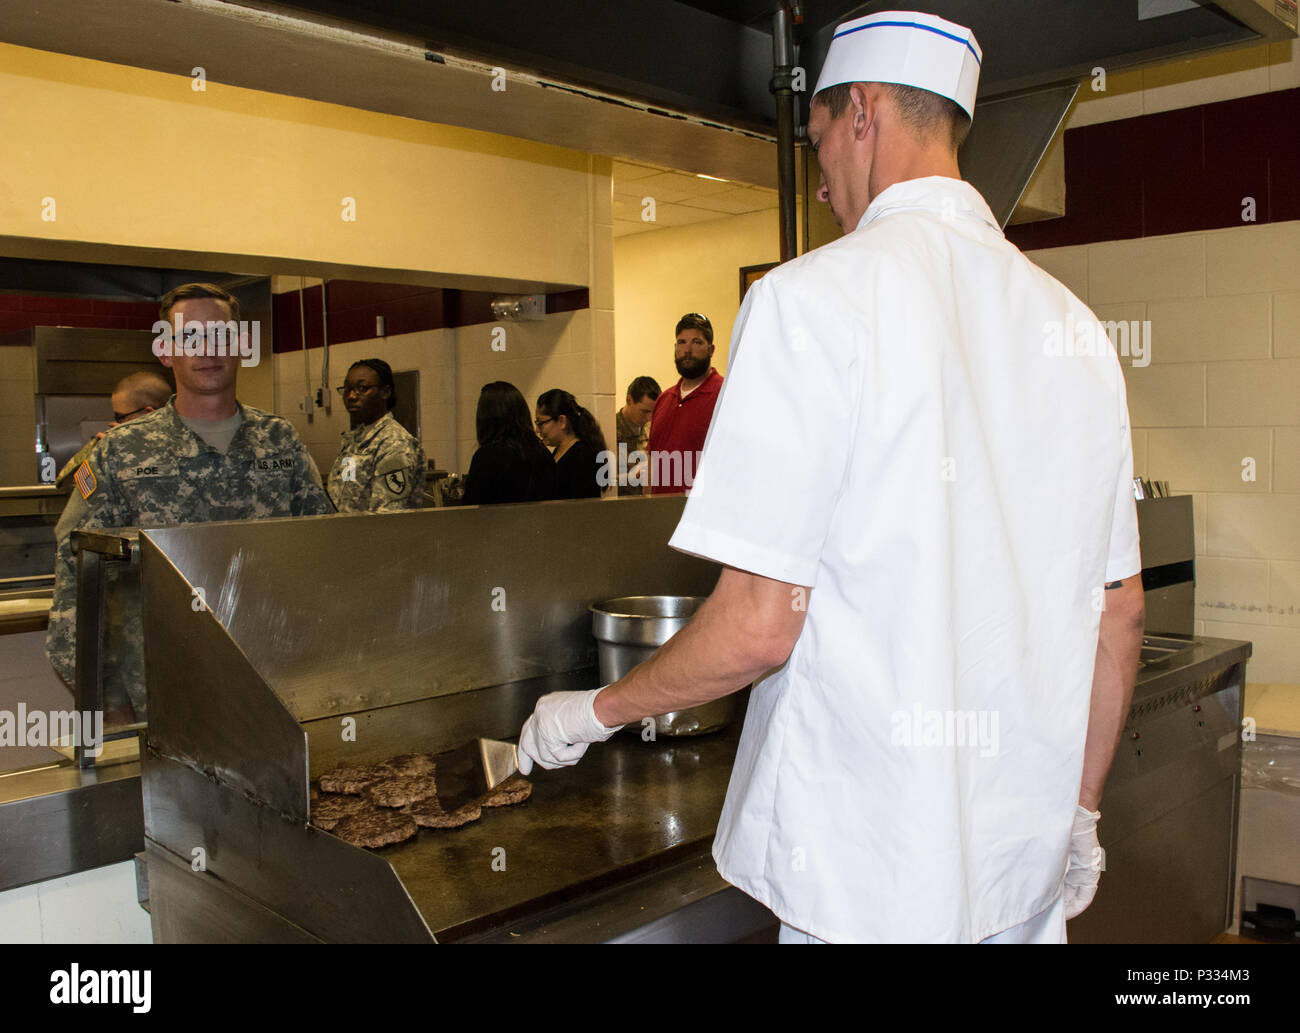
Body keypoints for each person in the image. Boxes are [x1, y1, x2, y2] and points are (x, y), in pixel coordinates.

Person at [515, 10, 1144, 945]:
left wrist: (596, 710)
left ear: (865, 115)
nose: (819, 178)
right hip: (1023, 878)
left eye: (817, 141)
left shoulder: (806, 300)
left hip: (870, 885)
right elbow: (1120, 612)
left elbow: (761, 624)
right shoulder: (1078, 331)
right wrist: (1082, 812)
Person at [45, 282, 333, 719]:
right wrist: (108, 697)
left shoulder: (279, 440)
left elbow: (324, 547)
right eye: (190, 337)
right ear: (166, 351)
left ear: (242, 346)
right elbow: (77, 570)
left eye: (221, 334)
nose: (208, 349)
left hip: (275, 680)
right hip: (163, 688)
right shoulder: (121, 451)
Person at [327, 359, 426, 513]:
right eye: (348, 388)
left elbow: (388, 515)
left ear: (385, 392)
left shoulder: (394, 443)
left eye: (362, 388)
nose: (352, 396)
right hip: (343, 533)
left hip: (373, 535)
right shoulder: (355, 440)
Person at [646, 313, 723, 494]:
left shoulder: (725, 395)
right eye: (682, 342)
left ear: (711, 349)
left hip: (704, 515)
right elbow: (652, 459)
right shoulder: (664, 399)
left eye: (696, 342)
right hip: (661, 514)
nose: (687, 349)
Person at [54, 372, 173, 488]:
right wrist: (98, 456)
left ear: (148, 414)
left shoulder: (178, 449)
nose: (117, 423)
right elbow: (69, 484)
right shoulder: (114, 448)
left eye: (121, 417)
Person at [464, 381, 557, 505]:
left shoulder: (487, 456)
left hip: (499, 523)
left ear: (485, 418)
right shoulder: (541, 452)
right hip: (538, 522)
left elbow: (470, 506)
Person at [535, 389, 606, 500]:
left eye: (541, 423)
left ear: (561, 421)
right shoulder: (560, 451)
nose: (537, 430)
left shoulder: (583, 456)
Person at [614, 376, 660, 497]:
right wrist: (632, 476)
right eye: (644, 411)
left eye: (653, 412)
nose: (649, 418)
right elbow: (602, 480)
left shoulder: (652, 429)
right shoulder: (610, 431)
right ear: (629, 400)